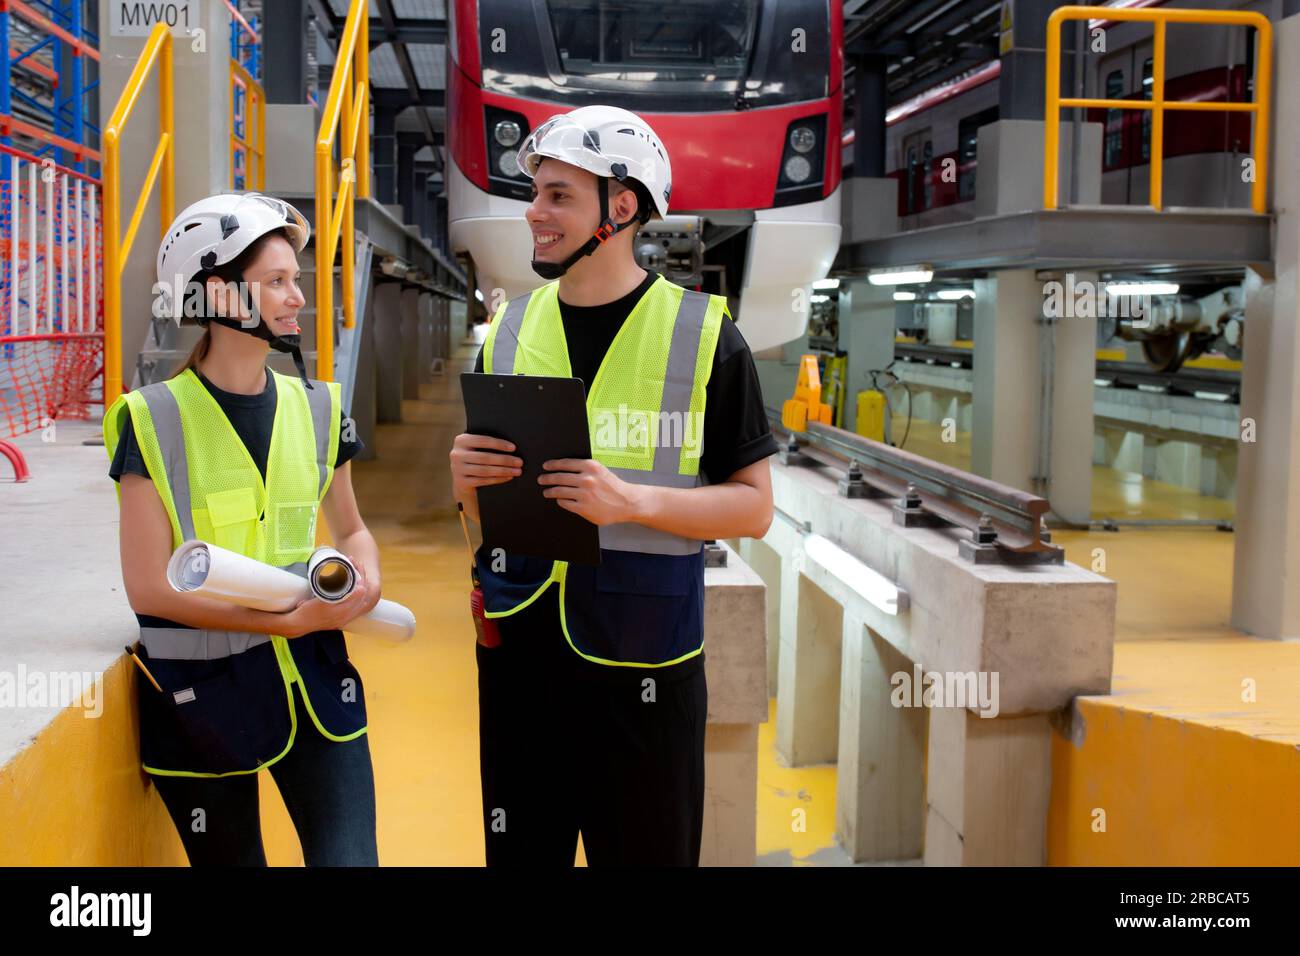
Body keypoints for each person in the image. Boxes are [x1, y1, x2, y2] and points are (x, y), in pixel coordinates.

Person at [450, 105, 777, 866]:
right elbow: (483, 508)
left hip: (643, 673)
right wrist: (466, 483)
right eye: (535, 195)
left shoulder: (705, 338)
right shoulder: (506, 329)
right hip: (520, 661)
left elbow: (755, 508)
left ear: (620, 207)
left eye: (558, 195)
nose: (535, 213)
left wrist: (634, 502)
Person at [103, 192, 383, 866]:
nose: (297, 299)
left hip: (315, 686)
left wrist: (366, 572)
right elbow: (149, 588)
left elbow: (351, 529)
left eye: (297, 280)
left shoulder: (318, 407)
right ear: (216, 294)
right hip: (203, 706)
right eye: (277, 282)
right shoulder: (151, 418)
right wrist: (280, 621)